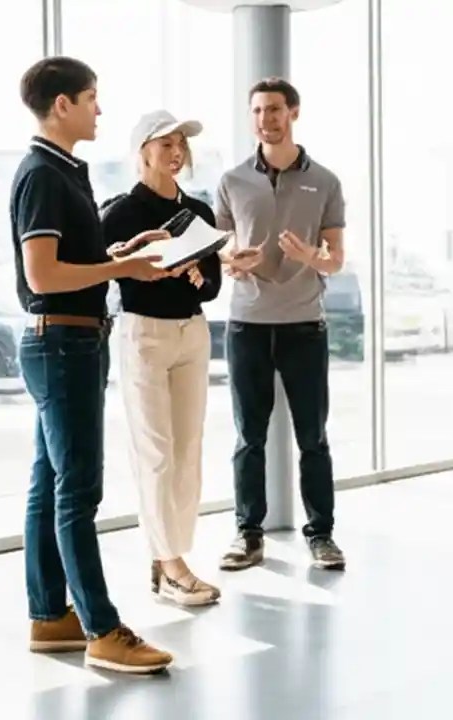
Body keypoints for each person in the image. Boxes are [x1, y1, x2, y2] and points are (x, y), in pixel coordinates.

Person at [10, 56, 175, 674]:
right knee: (78, 490)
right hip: (64, 346)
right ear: (63, 106)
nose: (99, 110)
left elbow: (71, 259)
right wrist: (121, 270)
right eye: (91, 99)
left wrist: (121, 251)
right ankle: (103, 629)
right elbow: (43, 274)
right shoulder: (43, 176)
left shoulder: (62, 172)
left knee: (49, 485)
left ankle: (51, 616)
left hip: (68, 341)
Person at [212, 77, 348, 572]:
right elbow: (220, 247)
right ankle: (248, 533)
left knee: (313, 436)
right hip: (247, 324)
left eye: (273, 110)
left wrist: (312, 255)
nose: (264, 119)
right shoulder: (231, 181)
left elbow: (335, 261)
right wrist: (233, 259)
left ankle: (323, 535)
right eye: (256, 111)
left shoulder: (326, 182)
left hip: (304, 326)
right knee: (249, 436)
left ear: (293, 112)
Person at [100, 109, 224, 607]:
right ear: (143, 151)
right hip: (144, 335)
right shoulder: (119, 213)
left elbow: (213, 286)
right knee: (154, 451)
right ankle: (171, 566)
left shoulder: (199, 212)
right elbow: (106, 274)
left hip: (192, 333)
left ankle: (170, 556)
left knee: (187, 450)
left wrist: (197, 275)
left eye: (181, 144)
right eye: (166, 143)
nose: (176, 152)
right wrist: (133, 256)